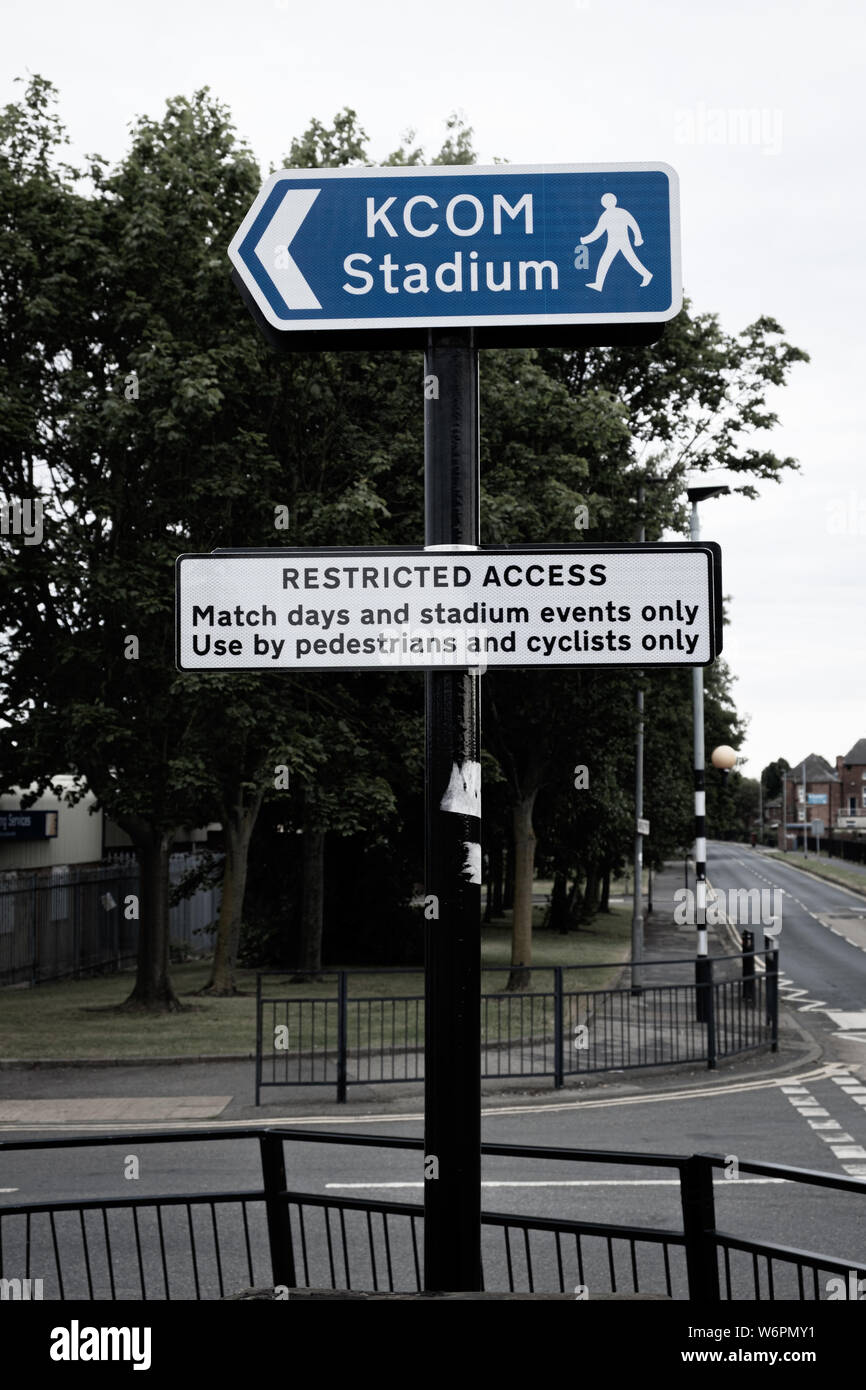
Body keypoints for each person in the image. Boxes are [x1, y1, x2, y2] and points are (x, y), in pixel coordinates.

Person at [580, 193, 652, 292]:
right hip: (616, 242)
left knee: (610, 261)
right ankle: (598, 284)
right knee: (624, 260)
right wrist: (637, 237)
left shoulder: (610, 214)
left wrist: (584, 240)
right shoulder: (617, 213)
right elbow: (598, 232)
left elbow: (598, 232)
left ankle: (599, 284)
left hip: (619, 242)